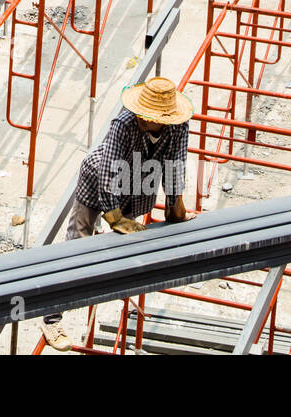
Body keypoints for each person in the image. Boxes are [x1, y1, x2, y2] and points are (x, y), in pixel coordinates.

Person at [40, 76, 193, 352]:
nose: (142, 118)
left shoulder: (178, 128)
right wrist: (115, 219)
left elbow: (176, 166)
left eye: (149, 115)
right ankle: (52, 318)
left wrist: (175, 209)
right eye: (142, 113)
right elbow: (109, 170)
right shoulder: (124, 124)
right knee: (78, 247)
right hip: (99, 177)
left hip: (137, 183)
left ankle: (99, 282)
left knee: (122, 246)